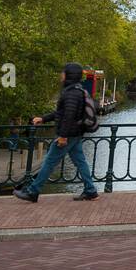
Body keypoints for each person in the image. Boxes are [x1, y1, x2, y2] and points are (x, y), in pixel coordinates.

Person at [14, 62, 99, 202]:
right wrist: (43, 118)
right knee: (80, 161)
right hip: (75, 133)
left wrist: (63, 136)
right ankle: (90, 190)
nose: (61, 74)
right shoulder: (77, 90)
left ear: (69, 75)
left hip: (68, 134)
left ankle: (33, 192)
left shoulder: (71, 93)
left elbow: (68, 116)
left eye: (63, 72)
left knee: (49, 162)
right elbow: (61, 112)